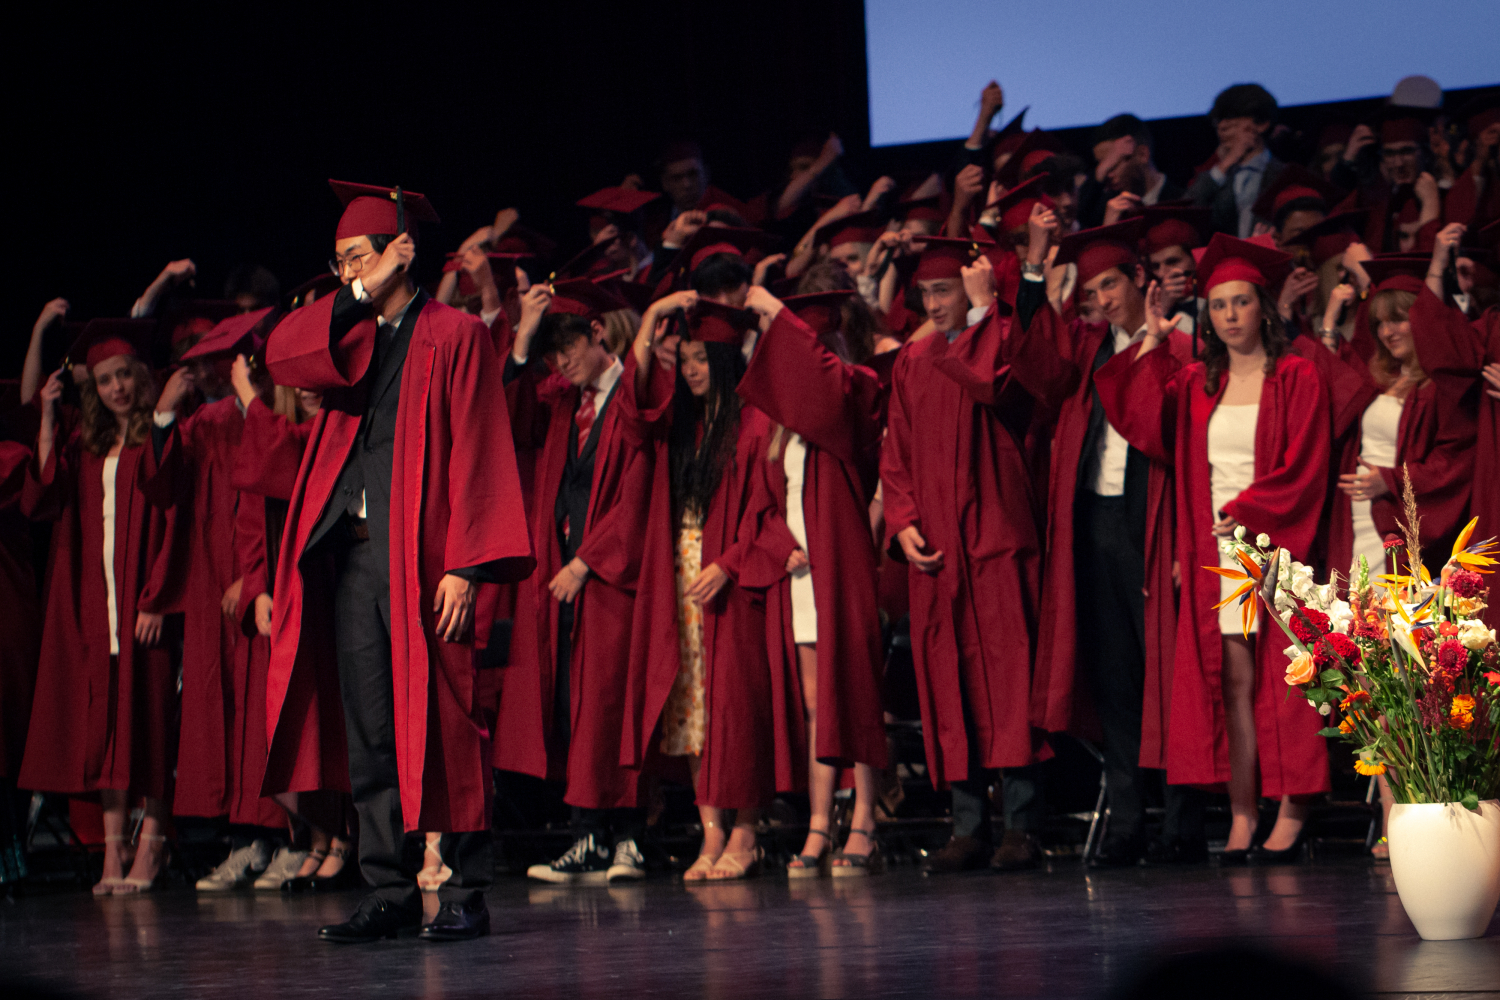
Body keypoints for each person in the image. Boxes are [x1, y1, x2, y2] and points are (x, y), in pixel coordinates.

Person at [263, 180, 533, 942]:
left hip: (426, 560)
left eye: (359, 256)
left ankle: (465, 890)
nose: (348, 272)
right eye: (341, 260)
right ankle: (387, 888)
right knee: (370, 729)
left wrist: (466, 565)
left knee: (448, 722)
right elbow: (281, 355)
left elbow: (479, 445)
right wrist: (357, 292)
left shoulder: (455, 334)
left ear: (399, 252)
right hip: (353, 561)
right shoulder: (346, 336)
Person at [1096, 234, 1331, 864]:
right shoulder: (1199, 382)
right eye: (1219, 304)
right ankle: (1244, 810)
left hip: (1275, 544)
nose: (1230, 315)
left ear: (1263, 307)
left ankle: (1293, 807)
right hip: (1219, 551)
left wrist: (1248, 512)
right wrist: (1152, 341)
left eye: (1241, 302)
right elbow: (1144, 424)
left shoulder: (1297, 375)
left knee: (1288, 677)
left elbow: (1305, 465)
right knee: (1233, 680)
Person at [1003, 212, 1206, 866]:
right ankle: (1126, 823)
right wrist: (1033, 270)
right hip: (1094, 524)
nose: (1102, 300)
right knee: (1116, 677)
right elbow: (1035, 364)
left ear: (1142, 278)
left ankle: (1182, 821)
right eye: (1092, 292)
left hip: (1153, 523)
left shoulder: (1182, 347)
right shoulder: (1086, 348)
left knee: (1166, 673)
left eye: (1111, 285)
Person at [881, 234, 1050, 873]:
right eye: (925, 292)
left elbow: (996, 388)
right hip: (939, 552)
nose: (933, 303)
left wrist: (985, 315)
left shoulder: (1001, 343)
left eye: (944, 290)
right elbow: (895, 452)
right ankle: (967, 825)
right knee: (950, 686)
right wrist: (902, 522)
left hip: (996, 541)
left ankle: (1022, 826)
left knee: (1009, 683)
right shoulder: (913, 360)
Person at [501, 281, 667, 885]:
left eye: (566, 347)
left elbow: (639, 494)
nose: (559, 362)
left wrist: (588, 562)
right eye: (550, 354)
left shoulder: (636, 395)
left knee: (615, 706)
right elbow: (504, 418)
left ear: (597, 333)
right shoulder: (562, 403)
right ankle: (588, 836)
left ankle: (630, 839)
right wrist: (523, 336)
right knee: (576, 708)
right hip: (566, 577)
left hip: (614, 577)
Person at [619, 297, 781, 881]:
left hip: (731, 582)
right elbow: (632, 412)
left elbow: (767, 508)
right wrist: (650, 318)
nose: (690, 370)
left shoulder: (753, 422)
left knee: (736, 707)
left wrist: (731, 564)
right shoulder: (681, 426)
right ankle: (710, 832)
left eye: (701, 359)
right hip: (681, 582)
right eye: (683, 359)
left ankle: (746, 831)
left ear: (725, 359)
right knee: (690, 710)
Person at [19, 321, 181, 895]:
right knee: (107, 730)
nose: (117, 388)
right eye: (106, 380)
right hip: (97, 608)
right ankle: (115, 850)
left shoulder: (158, 439)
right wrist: (46, 417)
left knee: (152, 725)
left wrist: (158, 598)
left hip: (143, 606)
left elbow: (175, 521)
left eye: (124, 377)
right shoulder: (85, 447)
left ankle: (153, 844)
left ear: (140, 378)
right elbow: (40, 499)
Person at [737, 285, 888, 877]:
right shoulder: (780, 428)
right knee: (815, 704)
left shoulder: (855, 395)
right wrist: (782, 546)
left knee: (857, 692)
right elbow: (764, 504)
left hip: (842, 570)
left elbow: (834, 391)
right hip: (800, 575)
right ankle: (820, 822)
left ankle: (865, 818)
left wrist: (781, 316)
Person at [152, 309, 292, 890]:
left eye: (222, 362)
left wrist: (253, 578)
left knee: (265, 717)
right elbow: (162, 482)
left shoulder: (277, 415)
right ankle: (246, 840)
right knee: (226, 716)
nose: (212, 373)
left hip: (266, 586)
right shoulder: (207, 422)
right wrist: (163, 413)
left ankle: (284, 836)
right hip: (217, 589)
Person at [1188, 84, 1284, 238]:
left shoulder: (1283, 176)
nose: (1222, 126)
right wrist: (1226, 164)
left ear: (1262, 123)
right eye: (1219, 120)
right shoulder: (1218, 177)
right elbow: (1186, 213)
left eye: (1232, 117)